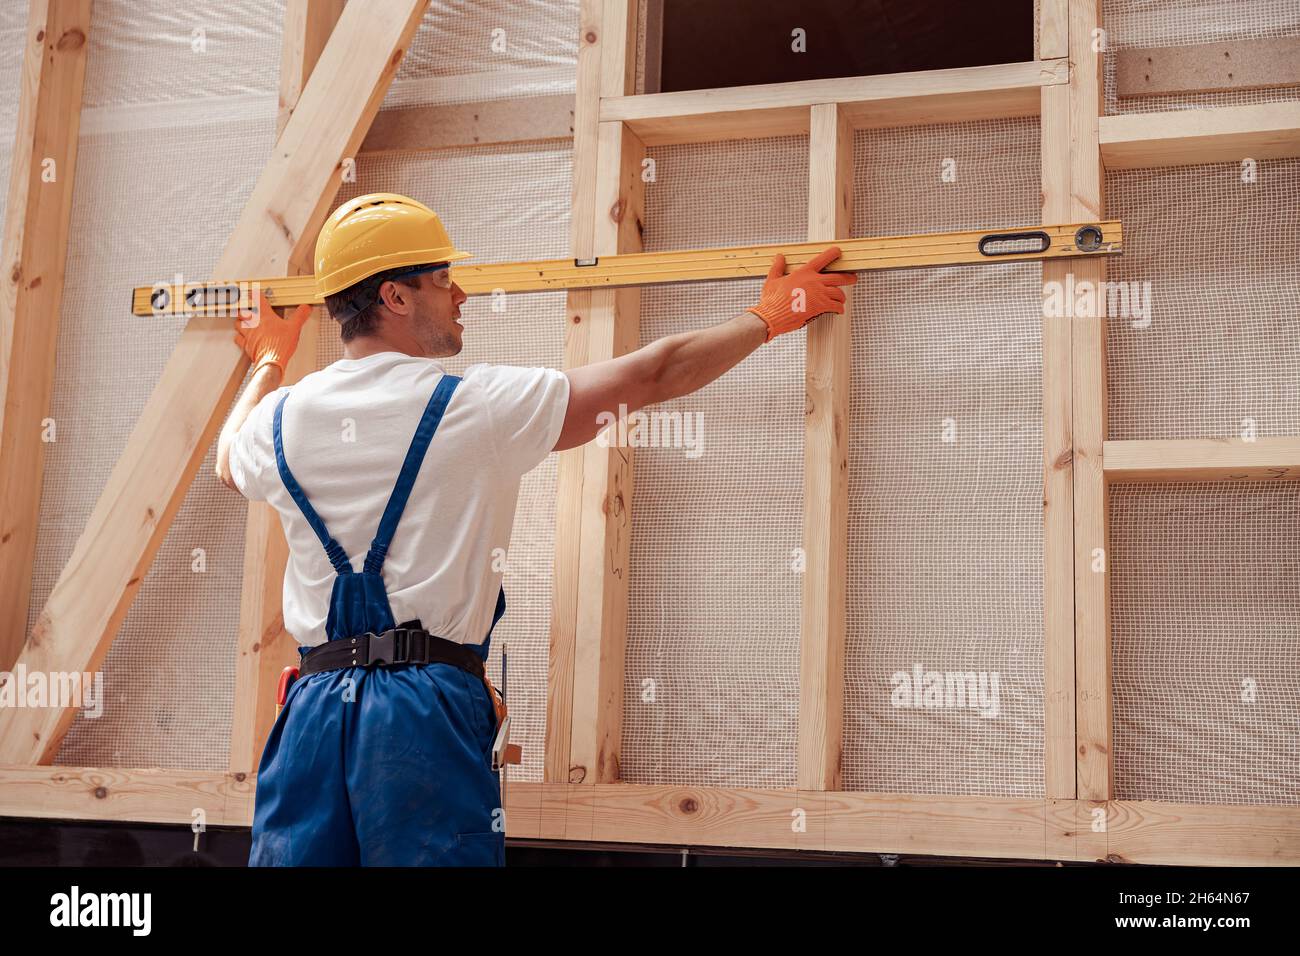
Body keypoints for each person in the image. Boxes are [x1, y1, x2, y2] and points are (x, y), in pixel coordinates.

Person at [215, 192, 854, 866]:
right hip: (423, 709)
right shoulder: (473, 406)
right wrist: (768, 318)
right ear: (395, 297)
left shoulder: (279, 419)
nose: (459, 295)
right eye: (441, 281)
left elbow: (227, 459)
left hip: (313, 704)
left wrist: (267, 360)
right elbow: (654, 373)